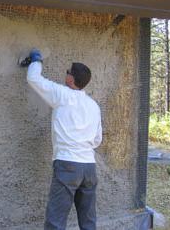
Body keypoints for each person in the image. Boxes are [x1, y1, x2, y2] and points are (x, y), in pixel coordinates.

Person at [24, 49, 102, 230]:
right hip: (89, 167)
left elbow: (34, 79)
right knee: (88, 221)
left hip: (67, 165)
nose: (65, 74)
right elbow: (97, 139)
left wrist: (36, 60)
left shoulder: (61, 94)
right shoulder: (93, 105)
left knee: (55, 221)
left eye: (67, 72)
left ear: (70, 79)